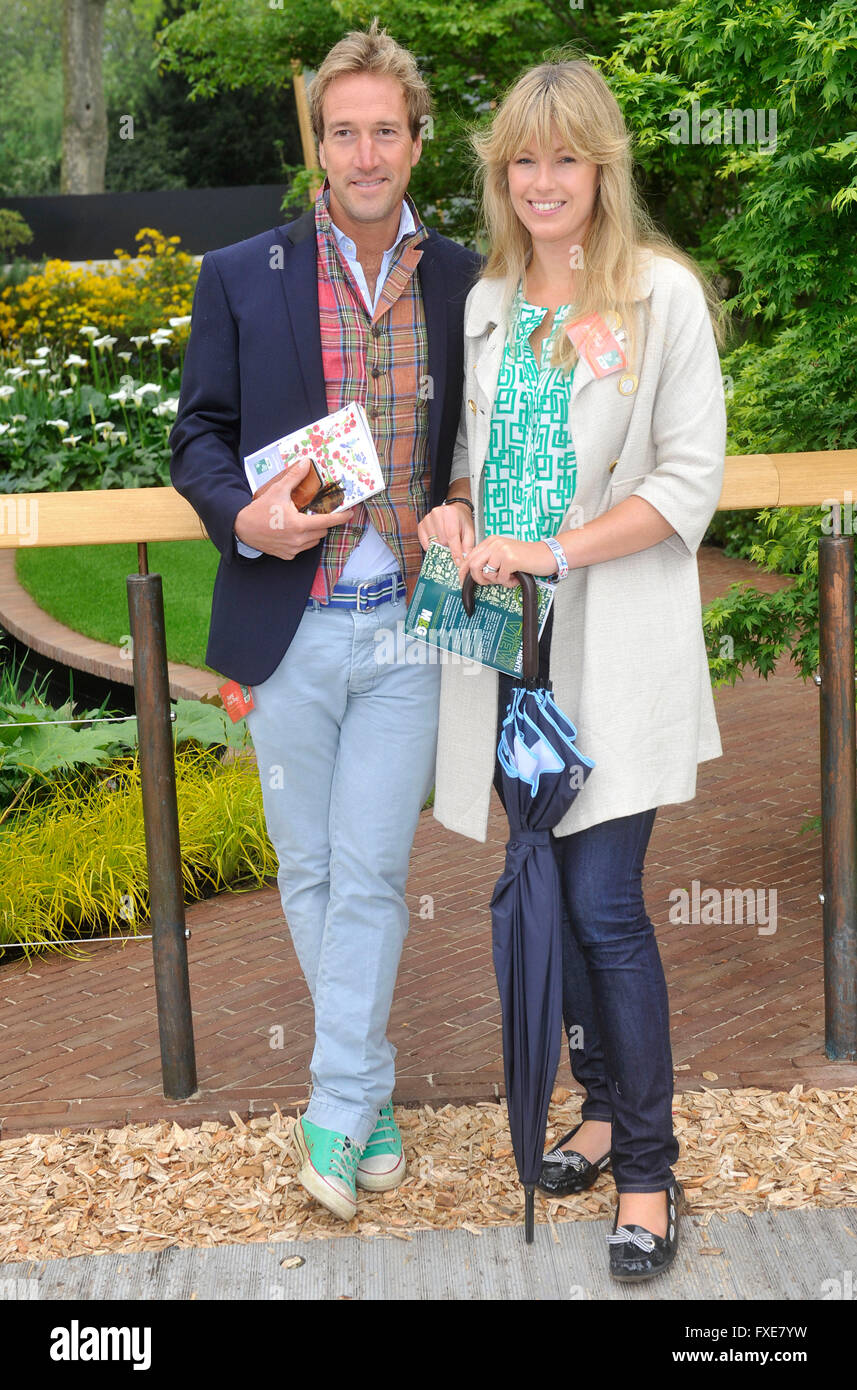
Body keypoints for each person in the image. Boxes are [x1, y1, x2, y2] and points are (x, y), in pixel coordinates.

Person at [419, 58, 727, 1281]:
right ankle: (595, 1111)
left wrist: (550, 545)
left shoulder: (660, 296)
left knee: (603, 906)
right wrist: (452, 514)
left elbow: (683, 482)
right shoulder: (491, 299)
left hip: (615, 648)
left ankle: (646, 1172)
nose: (541, 181)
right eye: (520, 161)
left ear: (602, 166)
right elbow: (465, 462)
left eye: (564, 157)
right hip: (510, 653)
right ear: (502, 175)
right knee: (542, 890)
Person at [170, 19, 481, 1223]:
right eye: (342, 132)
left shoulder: (463, 279)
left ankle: (331, 1113)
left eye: (384, 132)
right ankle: (372, 1093)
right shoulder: (243, 274)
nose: (364, 153)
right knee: (309, 869)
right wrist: (245, 516)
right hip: (286, 625)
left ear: (414, 142)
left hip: (406, 622)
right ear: (319, 146)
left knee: (371, 870)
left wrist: (458, 498)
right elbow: (196, 434)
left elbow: (472, 436)